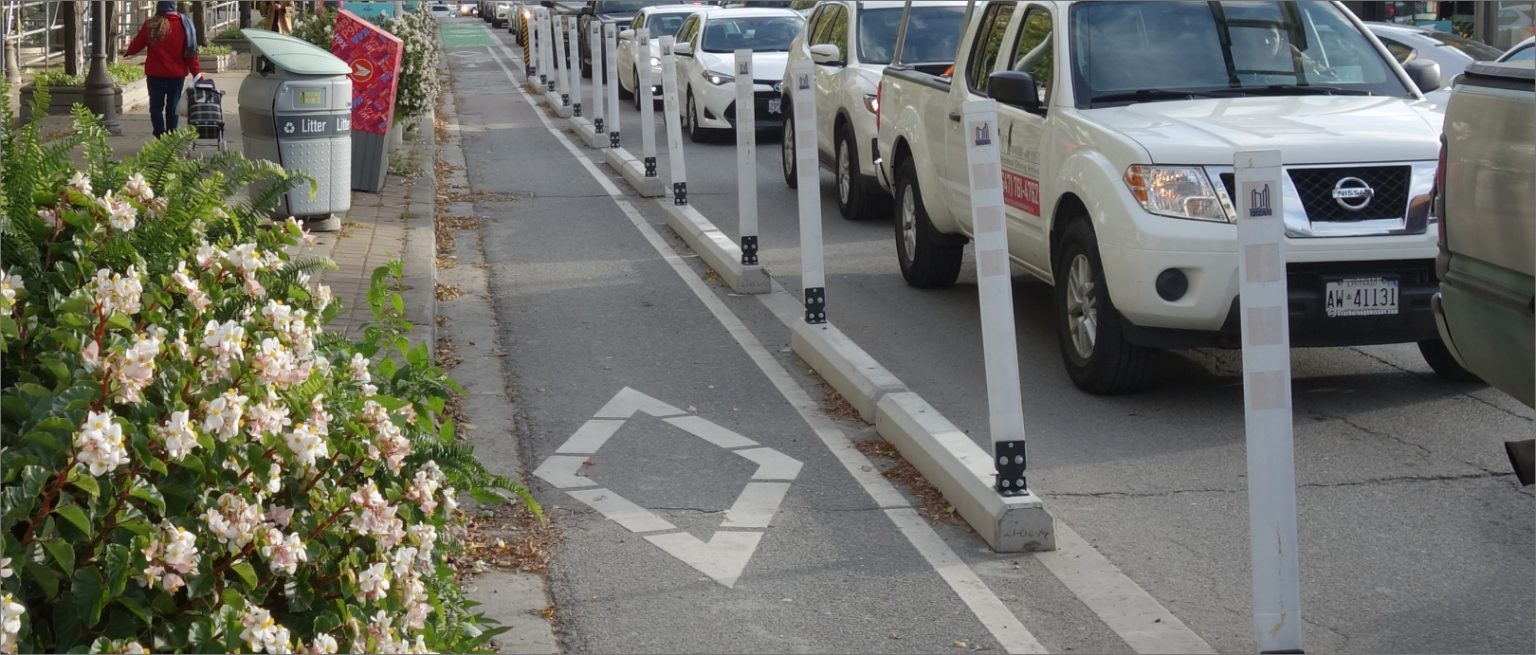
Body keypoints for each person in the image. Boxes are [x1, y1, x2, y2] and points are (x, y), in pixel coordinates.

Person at [122, 1, 203, 138]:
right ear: (174, 7)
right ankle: (171, 138)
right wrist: (197, 73)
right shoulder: (185, 25)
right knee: (172, 108)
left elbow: (137, 44)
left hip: (155, 75)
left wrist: (128, 52)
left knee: (155, 108)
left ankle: (160, 134)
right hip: (176, 76)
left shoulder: (151, 25)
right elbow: (191, 52)